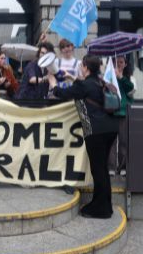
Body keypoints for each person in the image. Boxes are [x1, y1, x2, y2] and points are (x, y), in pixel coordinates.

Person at [48, 55, 118, 219]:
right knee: (102, 169)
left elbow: (63, 93)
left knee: (98, 169)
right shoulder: (99, 82)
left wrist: (53, 83)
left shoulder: (84, 84)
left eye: (82, 65)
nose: (80, 67)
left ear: (86, 67)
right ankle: (105, 205)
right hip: (110, 128)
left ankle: (101, 209)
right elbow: (83, 89)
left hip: (96, 131)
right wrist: (73, 78)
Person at [109, 55, 134, 175]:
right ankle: (111, 167)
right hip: (112, 112)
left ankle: (123, 167)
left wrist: (121, 77)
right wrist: (113, 77)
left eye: (121, 62)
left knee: (124, 141)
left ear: (125, 64)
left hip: (124, 112)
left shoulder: (129, 78)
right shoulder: (109, 76)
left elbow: (131, 89)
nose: (119, 64)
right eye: (116, 62)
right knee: (112, 142)